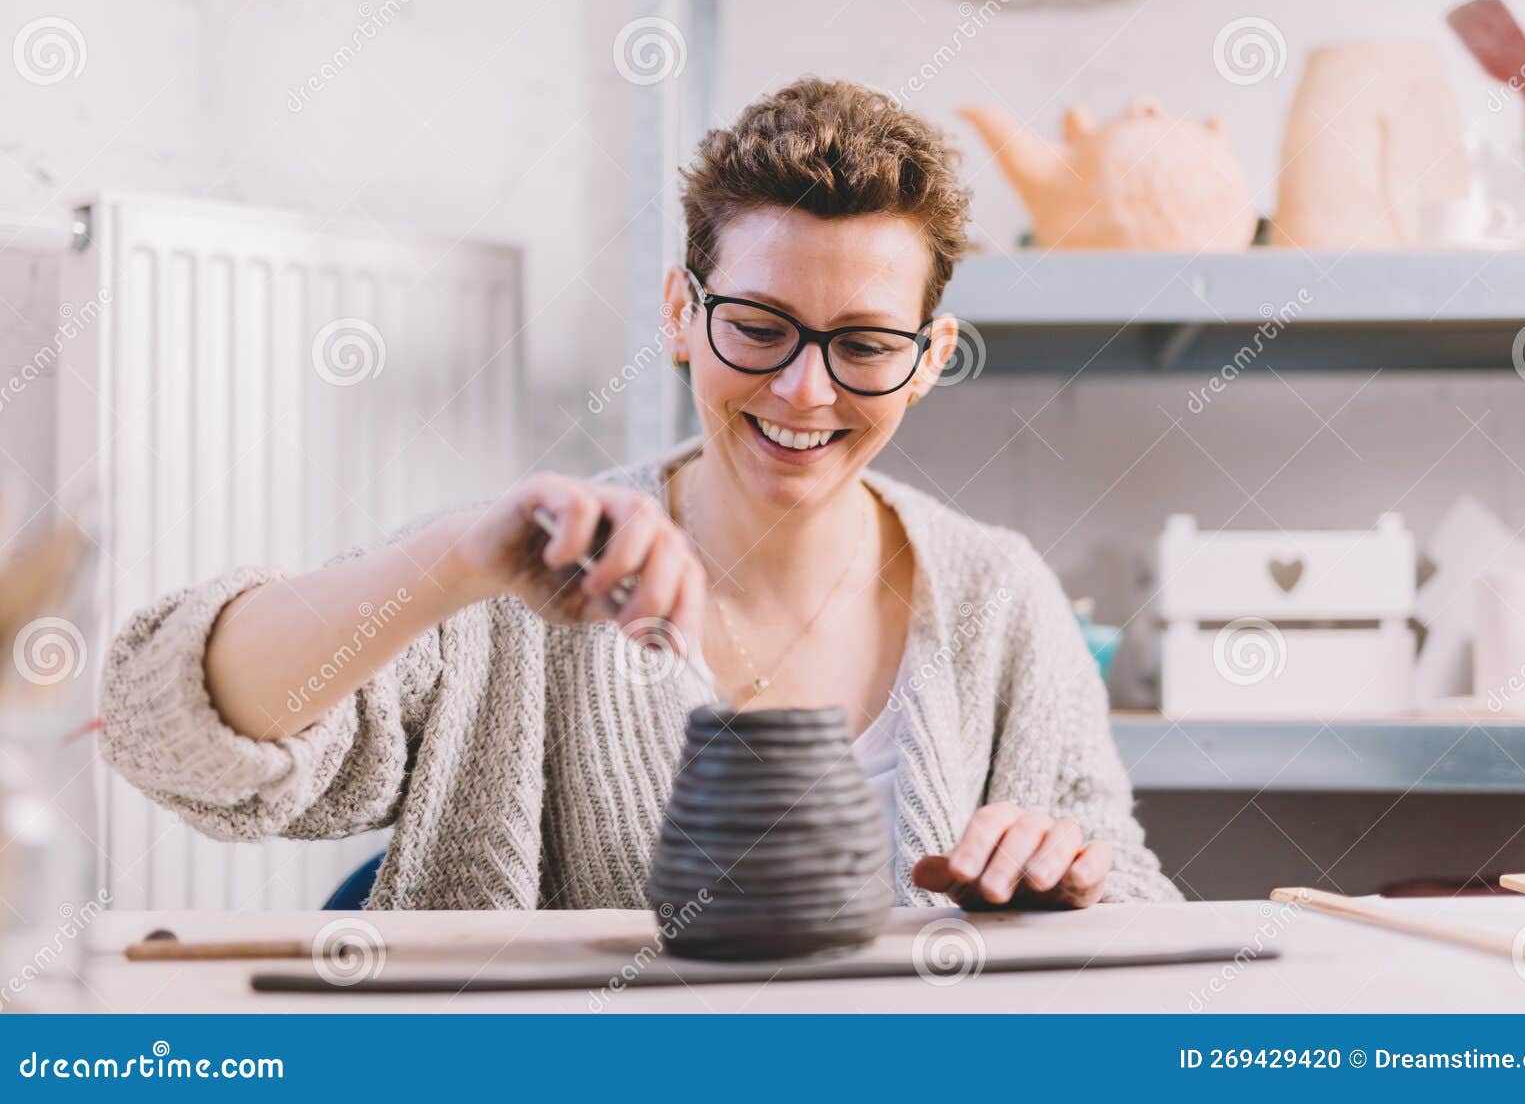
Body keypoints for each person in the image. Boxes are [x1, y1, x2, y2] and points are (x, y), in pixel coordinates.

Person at [100, 76, 1181, 911]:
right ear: (679, 312)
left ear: (931, 355)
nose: (803, 389)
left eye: (862, 343)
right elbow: (171, 729)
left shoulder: (999, 597)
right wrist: (459, 556)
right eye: (757, 326)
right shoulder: (522, 578)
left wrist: (1071, 881)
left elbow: (1129, 898)